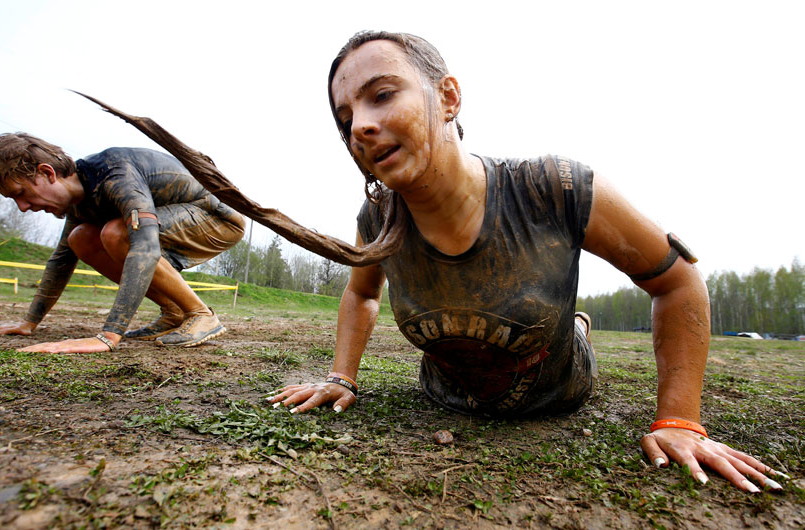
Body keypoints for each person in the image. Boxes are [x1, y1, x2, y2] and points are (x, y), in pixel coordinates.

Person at [270, 30, 789, 493]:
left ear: (447, 97)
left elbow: (677, 282)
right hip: (442, 396)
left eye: (382, 95)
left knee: (561, 327)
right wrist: (341, 377)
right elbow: (362, 293)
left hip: (562, 388)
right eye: (345, 119)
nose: (361, 126)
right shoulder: (379, 217)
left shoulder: (555, 189)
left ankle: (577, 325)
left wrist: (680, 421)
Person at [0, 133, 245, 352]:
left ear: (47, 172)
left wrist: (108, 336)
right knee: (80, 238)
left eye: (21, 192)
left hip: (217, 219)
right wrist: (29, 323)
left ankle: (201, 315)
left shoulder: (115, 175)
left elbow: (144, 245)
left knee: (116, 233)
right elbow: (61, 259)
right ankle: (174, 313)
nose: (22, 207)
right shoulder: (79, 201)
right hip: (167, 222)